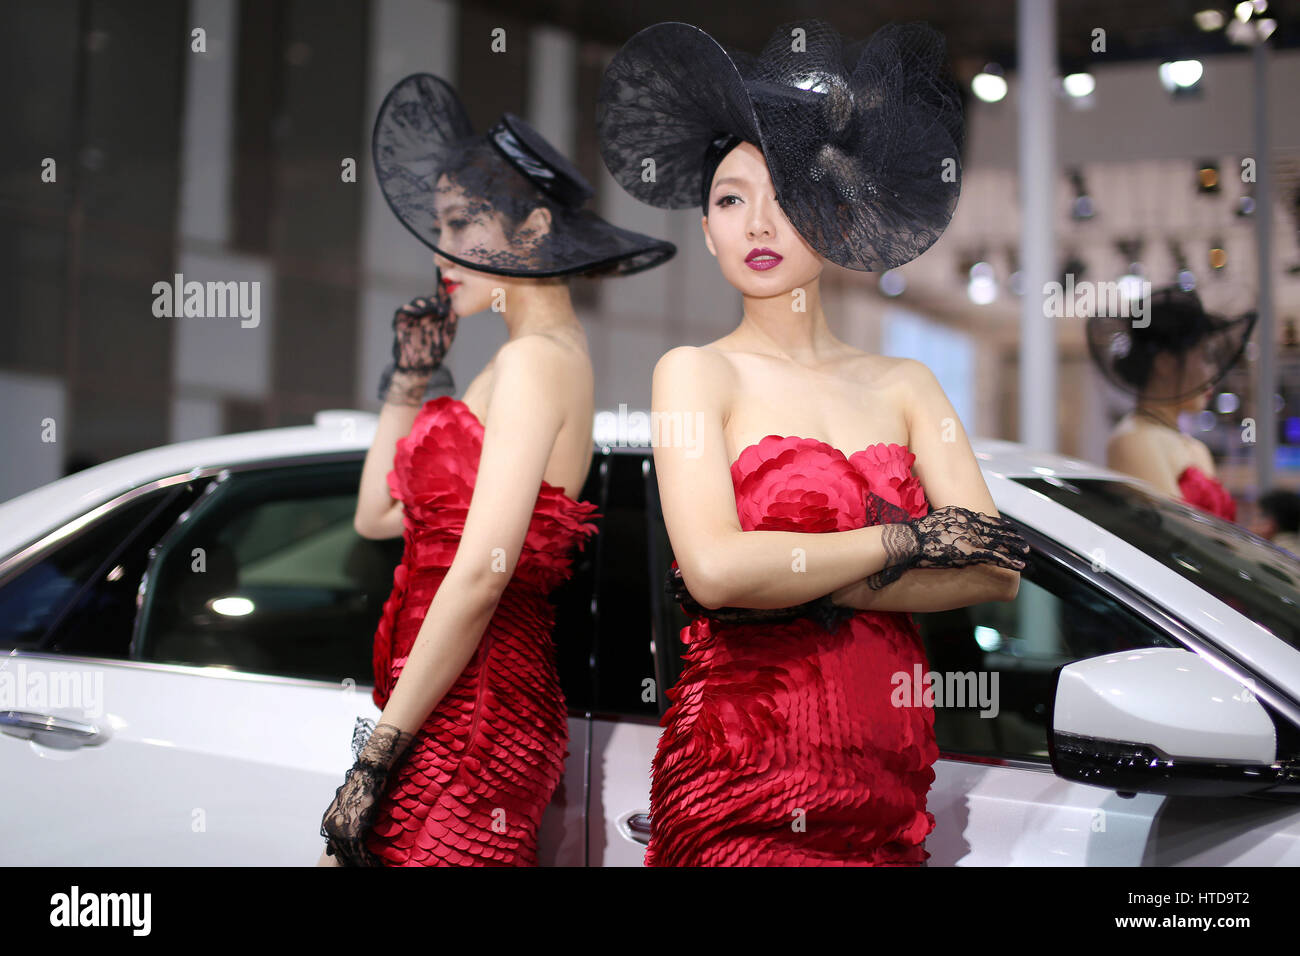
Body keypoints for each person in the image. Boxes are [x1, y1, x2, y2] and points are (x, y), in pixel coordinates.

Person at [597, 18, 1029, 866]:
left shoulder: (908, 384)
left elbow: (993, 567)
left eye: (787, 195)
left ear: (834, 211)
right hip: (743, 773)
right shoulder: (694, 374)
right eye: (730, 200)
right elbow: (717, 572)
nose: (758, 224)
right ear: (709, 228)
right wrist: (907, 543)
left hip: (887, 778)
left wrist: (793, 585)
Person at [317, 73, 674, 866]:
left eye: (464, 221)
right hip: (442, 699)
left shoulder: (538, 363)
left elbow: (481, 573)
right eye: (438, 222)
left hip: (474, 710)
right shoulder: (511, 364)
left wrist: (377, 755)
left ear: (535, 226)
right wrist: (412, 379)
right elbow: (377, 518)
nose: (442, 246)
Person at [1087, 285, 1257, 522]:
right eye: (1205, 356)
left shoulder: (1194, 448)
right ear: (1165, 362)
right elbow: (1170, 539)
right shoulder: (1134, 441)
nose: (1213, 372)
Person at [1249, 488, 1300, 557]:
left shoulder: (1268, 555)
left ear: (1270, 522)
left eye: (1258, 516)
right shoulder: (1294, 550)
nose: (1251, 525)